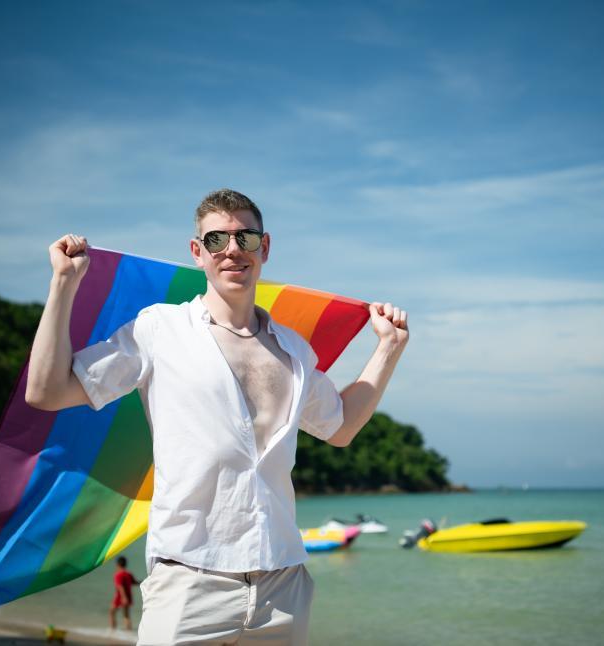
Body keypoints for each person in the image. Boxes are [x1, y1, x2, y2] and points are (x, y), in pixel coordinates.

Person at [25, 188, 408, 645]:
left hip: (282, 587)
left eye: (245, 238)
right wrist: (64, 283)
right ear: (197, 252)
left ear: (263, 248)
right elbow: (46, 391)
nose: (231, 250)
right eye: (216, 241)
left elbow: (342, 427)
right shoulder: (159, 330)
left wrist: (388, 347)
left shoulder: (294, 351)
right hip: (189, 581)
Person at [110, 556, 139, 630]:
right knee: (126, 615)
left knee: (112, 612)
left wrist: (123, 597)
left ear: (118, 565)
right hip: (128, 596)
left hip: (120, 596)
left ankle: (113, 630)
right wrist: (144, 582)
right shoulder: (128, 574)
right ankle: (128, 631)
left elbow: (120, 586)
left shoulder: (118, 574)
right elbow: (135, 582)